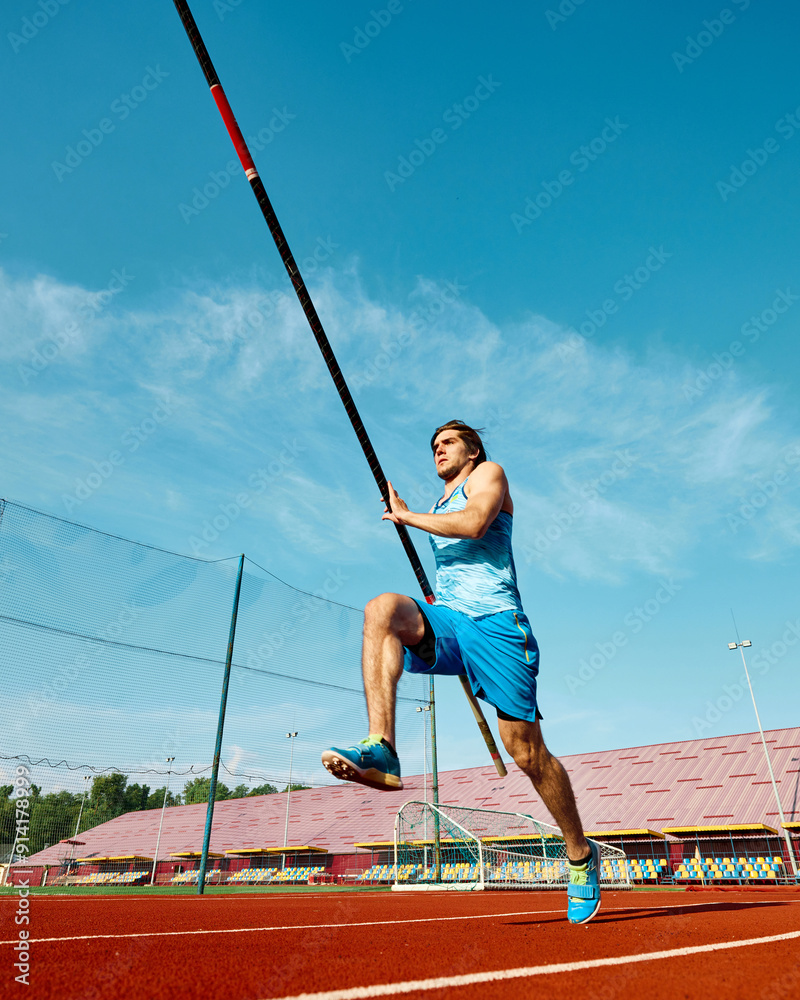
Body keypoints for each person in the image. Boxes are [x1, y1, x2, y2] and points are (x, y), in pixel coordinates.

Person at [321, 420, 601, 923]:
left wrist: (408, 517)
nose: (439, 451)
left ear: (473, 451)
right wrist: (433, 598)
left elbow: (474, 525)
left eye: (448, 442)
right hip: (451, 620)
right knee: (382, 609)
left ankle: (579, 852)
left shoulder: (489, 475)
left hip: (498, 627)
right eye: (433, 447)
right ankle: (381, 748)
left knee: (526, 752)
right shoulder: (436, 504)